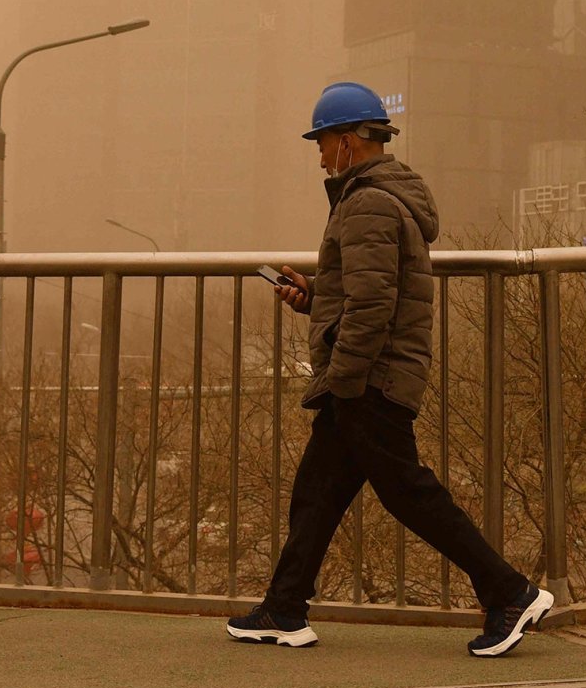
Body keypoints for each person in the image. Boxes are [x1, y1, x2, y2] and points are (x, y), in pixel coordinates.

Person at [227, 82, 553, 658]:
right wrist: (314, 296)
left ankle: (510, 592)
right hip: (364, 374)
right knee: (317, 492)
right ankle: (284, 607)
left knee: (409, 493)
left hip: (369, 377)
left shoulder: (367, 203)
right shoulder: (375, 198)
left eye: (323, 143)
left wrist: (344, 380)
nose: (320, 156)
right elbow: (365, 288)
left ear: (349, 142)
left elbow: (374, 306)